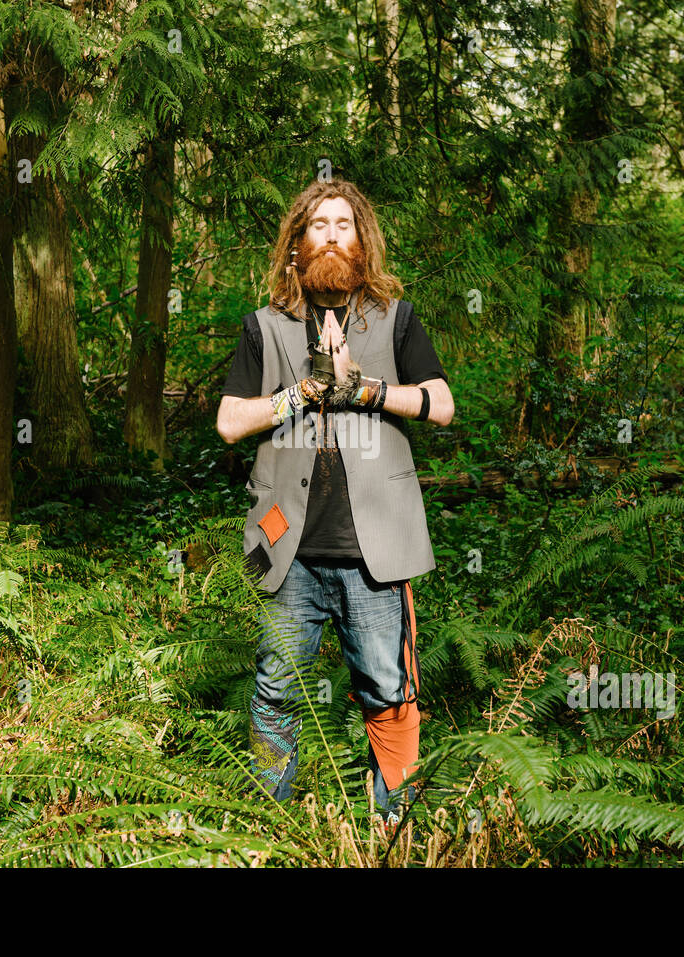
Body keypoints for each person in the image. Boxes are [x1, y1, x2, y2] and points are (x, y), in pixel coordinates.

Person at [216, 178, 454, 822]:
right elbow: (229, 421)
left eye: (342, 224)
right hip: (287, 548)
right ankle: (268, 829)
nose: (330, 234)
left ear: (362, 240)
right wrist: (300, 396)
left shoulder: (396, 320)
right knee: (276, 690)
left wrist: (363, 388)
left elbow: (442, 405)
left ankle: (391, 832)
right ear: (296, 245)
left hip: (375, 551)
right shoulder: (263, 328)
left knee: (387, 690)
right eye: (317, 225)